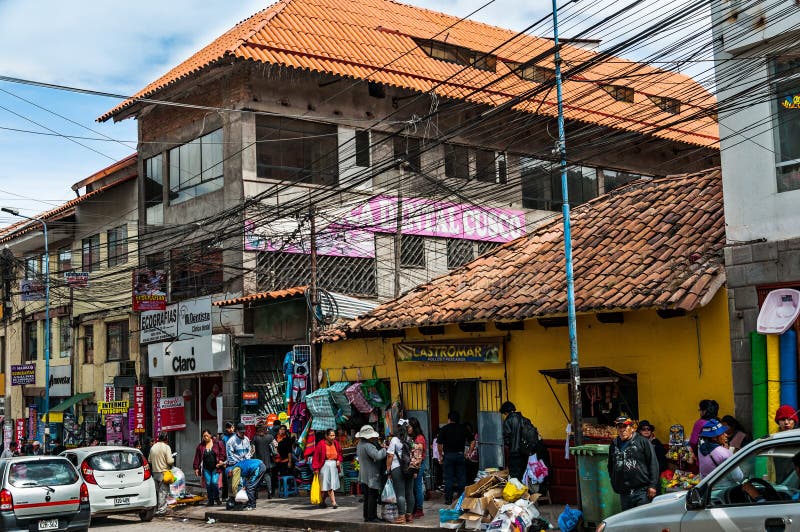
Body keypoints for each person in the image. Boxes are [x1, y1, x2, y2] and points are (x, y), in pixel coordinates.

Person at [607, 416, 659, 511]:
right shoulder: (614, 445)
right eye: (619, 427)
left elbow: (653, 463)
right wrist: (614, 482)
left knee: (642, 521)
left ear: (632, 428)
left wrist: (653, 485)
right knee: (628, 522)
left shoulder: (643, 442)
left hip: (642, 491)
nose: (622, 430)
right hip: (624, 493)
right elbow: (611, 466)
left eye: (625, 427)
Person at [437, 411, 471, 505]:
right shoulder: (463, 428)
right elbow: (472, 441)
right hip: (460, 455)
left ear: (449, 419)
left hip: (448, 456)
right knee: (461, 478)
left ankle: (448, 499)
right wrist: (468, 452)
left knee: (449, 478)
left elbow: (439, 444)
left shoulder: (444, 429)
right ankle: (461, 498)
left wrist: (440, 455)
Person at [500, 401, 537, 482]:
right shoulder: (525, 419)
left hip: (514, 454)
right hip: (525, 453)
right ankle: (520, 493)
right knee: (521, 476)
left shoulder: (508, 421)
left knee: (514, 477)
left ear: (506, 412)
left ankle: (515, 494)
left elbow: (506, 439)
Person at [356, 425, 386, 523]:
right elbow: (377, 456)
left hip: (364, 475)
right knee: (372, 496)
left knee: (367, 497)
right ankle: (372, 516)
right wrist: (385, 449)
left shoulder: (360, 444)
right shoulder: (368, 446)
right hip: (371, 475)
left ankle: (367, 516)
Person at [387, 422, 414, 524]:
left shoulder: (394, 440)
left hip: (397, 468)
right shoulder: (410, 439)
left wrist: (388, 469)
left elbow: (390, 456)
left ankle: (402, 517)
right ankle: (409, 516)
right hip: (409, 468)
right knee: (410, 492)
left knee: (400, 493)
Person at [193, 429, 226, 506]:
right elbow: (197, 458)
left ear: (210, 435)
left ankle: (217, 498)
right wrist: (196, 468)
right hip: (206, 468)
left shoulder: (218, 443)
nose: (205, 437)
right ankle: (210, 500)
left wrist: (221, 460)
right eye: (204, 436)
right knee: (208, 484)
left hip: (216, 467)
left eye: (207, 435)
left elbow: (222, 453)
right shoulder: (200, 446)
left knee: (214, 482)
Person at [312, 428, 343, 509]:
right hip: (324, 466)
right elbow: (316, 457)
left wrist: (339, 460)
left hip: (333, 466)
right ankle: (334, 502)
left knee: (327, 486)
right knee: (329, 485)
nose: (333, 437)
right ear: (326, 436)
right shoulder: (321, 444)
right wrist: (316, 468)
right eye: (331, 435)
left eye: (334, 435)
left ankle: (322, 502)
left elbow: (340, 453)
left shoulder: (336, 443)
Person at [148, 432, 175, 516]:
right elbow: (170, 461)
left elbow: (149, 460)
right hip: (163, 472)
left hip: (155, 472)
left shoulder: (153, 447)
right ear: (166, 439)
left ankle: (155, 508)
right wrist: (173, 460)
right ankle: (161, 510)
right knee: (163, 492)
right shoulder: (166, 447)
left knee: (156, 491)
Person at [408, 417, 427, 518]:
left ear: (414, 427)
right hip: (416, 464)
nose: (408, 429)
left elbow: (418, 456)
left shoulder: (419, 438)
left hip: (418, 465)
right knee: (415, 487)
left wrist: (415, 469)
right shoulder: (415, 437)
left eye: (410, 427)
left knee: (417, 487)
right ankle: (416, 508)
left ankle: (419, 509)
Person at [252, 425, 275, 498]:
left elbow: (252, 451)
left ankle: (256, 494)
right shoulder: (270, 437)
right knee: (267, 476)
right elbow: (275, 447)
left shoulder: (255, 438)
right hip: (267, 462)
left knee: (257, 478)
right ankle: (270, 492)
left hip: (257, 463)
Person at [271, 425, 292, 497]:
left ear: (285, 431)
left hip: (284, 460)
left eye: (283, 429)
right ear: (278, 430)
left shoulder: (287, 439)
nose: (282, 431)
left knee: (284, 476)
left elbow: (289, 451)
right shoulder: (274, 438)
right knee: (273, 477)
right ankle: (272, 492)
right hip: (275, 460)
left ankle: (283, 491)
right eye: (280, 429)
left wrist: (290, 461)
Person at [220, 422, 236, 499]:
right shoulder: (223, 437)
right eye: (230, 428)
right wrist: (222, 461)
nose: (232, 429)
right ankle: (224, 496)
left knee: (234, 478)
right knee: (225, 479)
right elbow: (221, 450)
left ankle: (233, 496)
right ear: (227, 428)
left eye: (233, 427)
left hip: (234, 460)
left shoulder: (236, 436)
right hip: (225, 461)